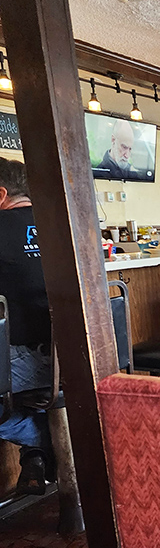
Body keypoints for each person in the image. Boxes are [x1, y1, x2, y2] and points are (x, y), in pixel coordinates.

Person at [0, 157, 54, 494]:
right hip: (77, 357)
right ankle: (41, 449)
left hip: (26, 363)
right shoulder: (62, 223)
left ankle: (45, 437)